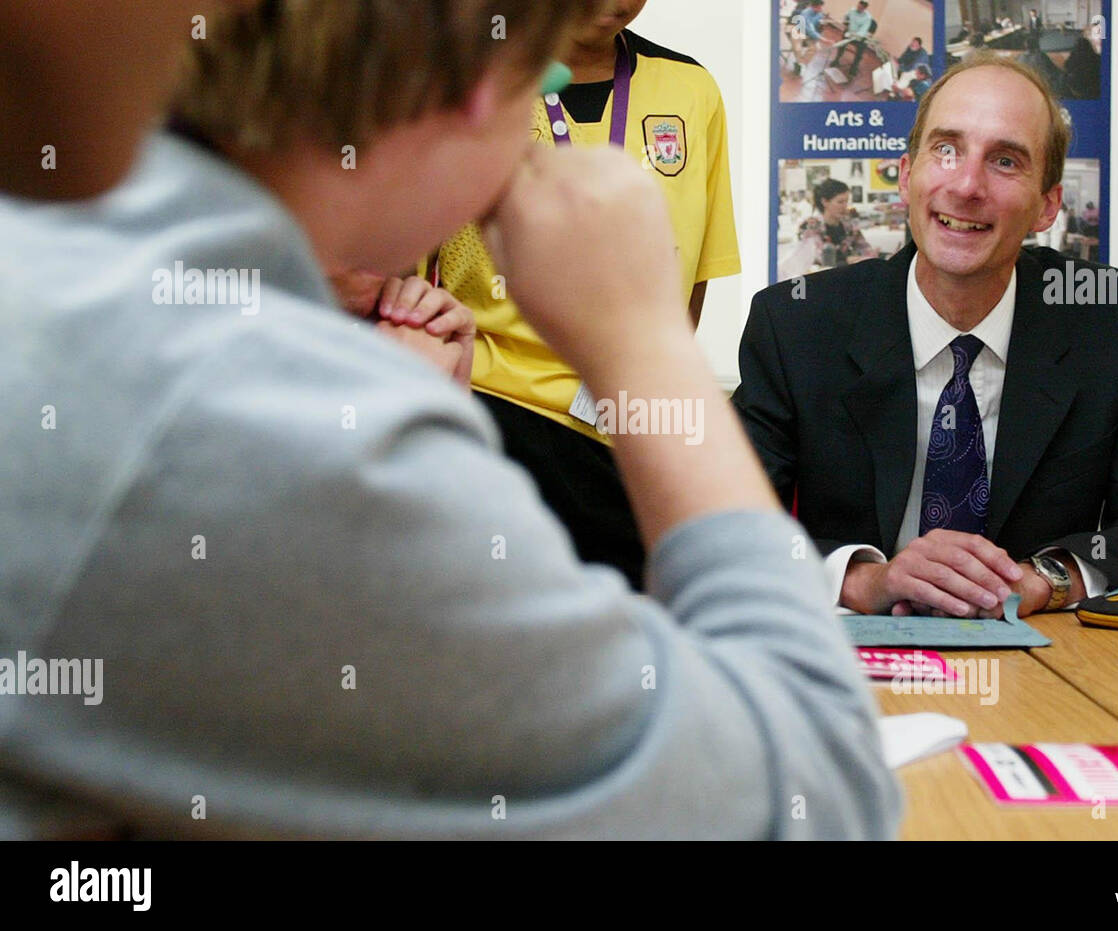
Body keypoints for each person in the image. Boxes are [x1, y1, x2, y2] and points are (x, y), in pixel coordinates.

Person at [0, 0, 900, 840]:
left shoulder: (80, 282)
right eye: (538, 82)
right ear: (481, 88)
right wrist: (642, 342)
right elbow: (815, 791)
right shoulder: (270, 426)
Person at [733, 53, 1118, 620]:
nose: (966, 185)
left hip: (1045, 666)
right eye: (946, 149)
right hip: (852, 665)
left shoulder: (1112, 323)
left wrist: (1039, 581)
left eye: (1005, 161)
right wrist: (864, 581)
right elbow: (721, 525)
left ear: (1047, 205)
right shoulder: (797, 325)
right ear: (907, 175)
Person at [420, 2, 740, 591]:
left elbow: (693, 282)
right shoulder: (468, 83)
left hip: (631, 424)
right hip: (502, 412)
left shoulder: (691, 90)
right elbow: (407, 285)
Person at [779, 178, 877, 280]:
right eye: (840, 202)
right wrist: (847, 261)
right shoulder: (810, 226)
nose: (845, 206)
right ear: (825, 202)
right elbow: (819, 257)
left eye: (846, 201)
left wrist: (869, 257)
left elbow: (865, 247)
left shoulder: (849, 225)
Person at [829, 1, 877, 79]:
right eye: (858, 6)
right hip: (849, 33)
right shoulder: (852, 11)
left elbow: (862, 31)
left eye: (860, 8)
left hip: (859, 37)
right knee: (841, 44)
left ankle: (854, 67)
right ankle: (837, 59)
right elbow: (846, 17)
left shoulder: (868, 18)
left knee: (860, 50)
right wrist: (845, 23)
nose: (858, 8)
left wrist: (853, 35)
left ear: (865, 8)